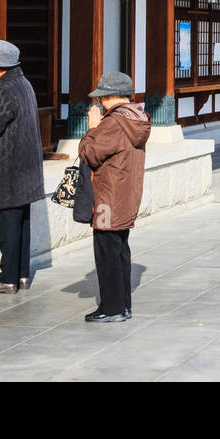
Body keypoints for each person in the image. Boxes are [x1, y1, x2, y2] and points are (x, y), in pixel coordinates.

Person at [77, 71, 149, 323]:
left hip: (108, 197)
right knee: (119, 251)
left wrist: (92, 128)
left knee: (107, 253)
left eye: (102, 99)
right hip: (125, 195)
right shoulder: (136, 118)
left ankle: (112, 308)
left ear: (110, 98)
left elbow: (89, 153)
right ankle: (123, 305)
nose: (100, 104)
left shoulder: (112, 123)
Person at [0, 40, 45, 294]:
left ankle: (7, 277)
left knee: (8, 224)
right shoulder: (23, 83)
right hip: (27, 166)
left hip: (11, 167)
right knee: (22, 223)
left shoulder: (5, 89)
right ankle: (22, 274)